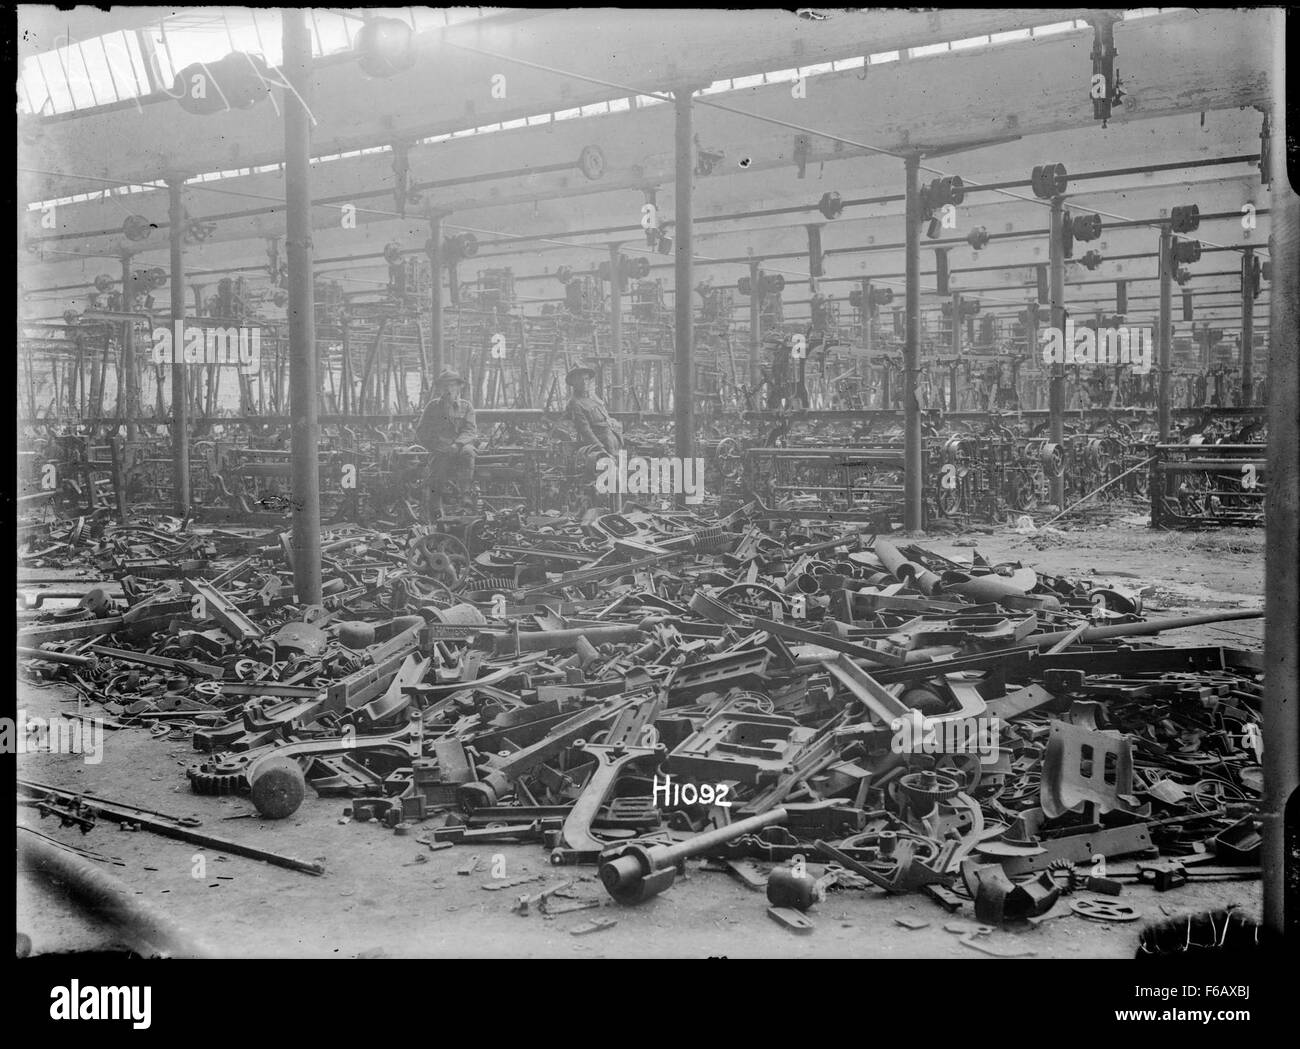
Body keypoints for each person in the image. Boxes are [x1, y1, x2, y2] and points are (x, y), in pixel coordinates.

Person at [415, 369, 477, 518]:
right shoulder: (432, 407)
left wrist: (458, 444)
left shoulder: (466, 406)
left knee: (469, 453)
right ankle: (435, 505)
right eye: (445, 386)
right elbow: (422, 431)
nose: (449, 389)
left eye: (452, 386)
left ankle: (466, 496)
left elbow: (470, 430)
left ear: (458, 387)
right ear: (440, 388)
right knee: (437, 468)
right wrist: (435, 447)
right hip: (440, 448)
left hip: (460, 446)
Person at [565, 364, 622, 455]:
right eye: (580, 379)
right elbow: (585, 430)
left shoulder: (593, 399)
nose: (584, 382)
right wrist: (600, 447)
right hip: (601, 442)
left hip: (613, 438)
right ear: (573, 382)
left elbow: (606, 418)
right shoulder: (574, 403)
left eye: (586, 379)